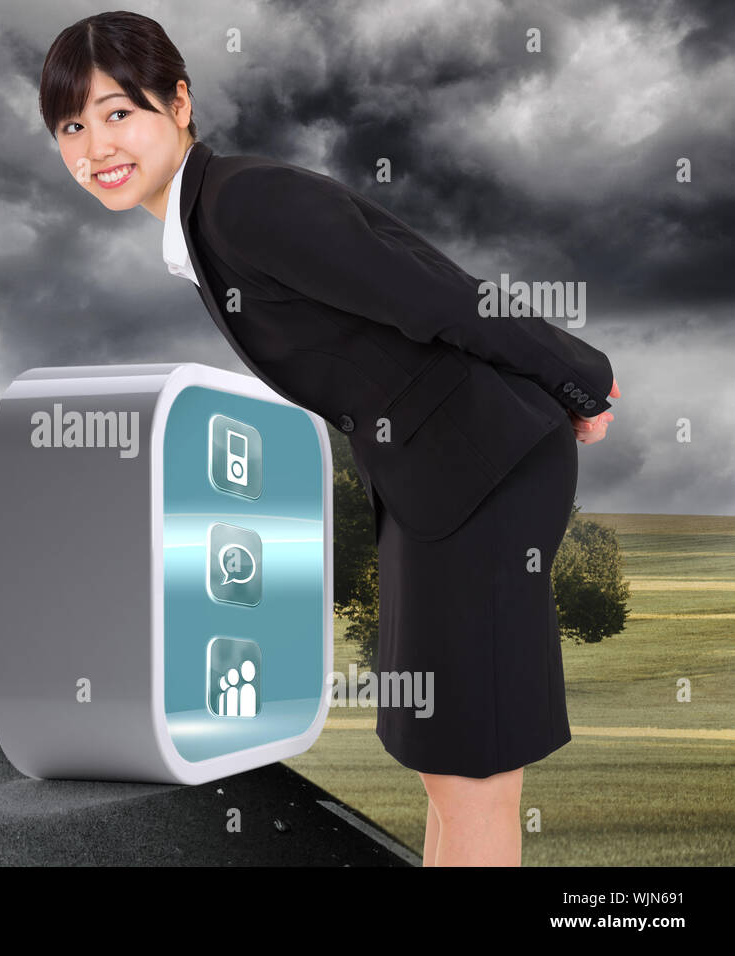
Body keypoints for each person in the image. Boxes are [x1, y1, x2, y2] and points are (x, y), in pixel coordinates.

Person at [39, 11, 621, 867]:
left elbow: (435, 291)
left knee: (474, 770)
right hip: (433, 485)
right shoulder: (205, 226)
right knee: (440, 757)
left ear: (180, 102)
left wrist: (579, 374)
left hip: (486, 470)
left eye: (118, 112)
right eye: (71, 126)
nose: (95, 147)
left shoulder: (244, 202)